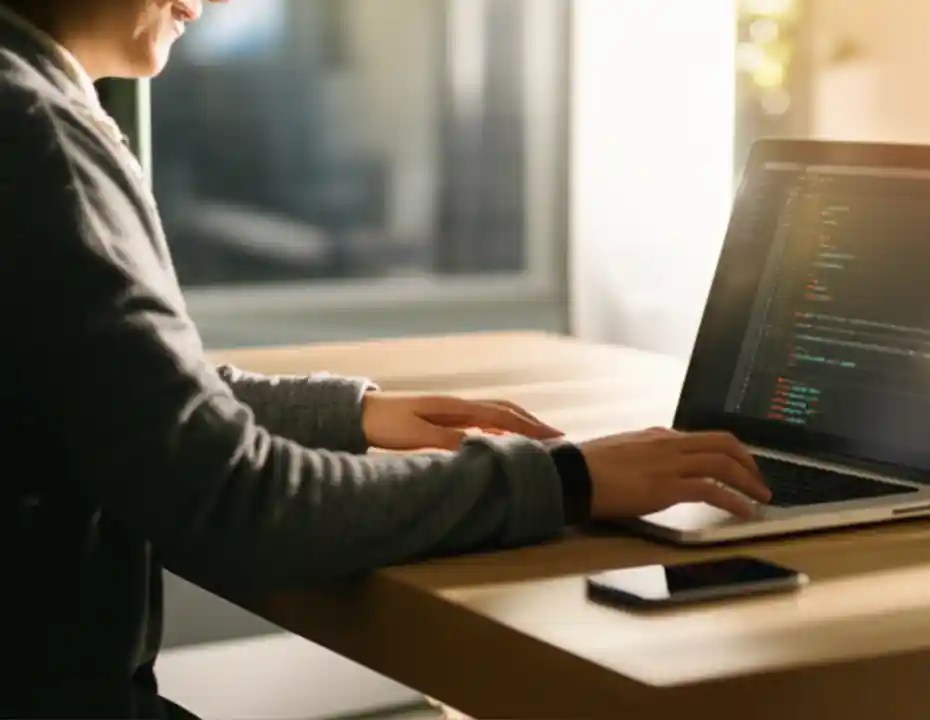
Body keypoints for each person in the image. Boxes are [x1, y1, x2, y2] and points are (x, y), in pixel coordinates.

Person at [0, 1, 771, 717]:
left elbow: (119, 394)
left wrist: (354, 414)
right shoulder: (37, 134)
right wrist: (568, 479)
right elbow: (232, 500)